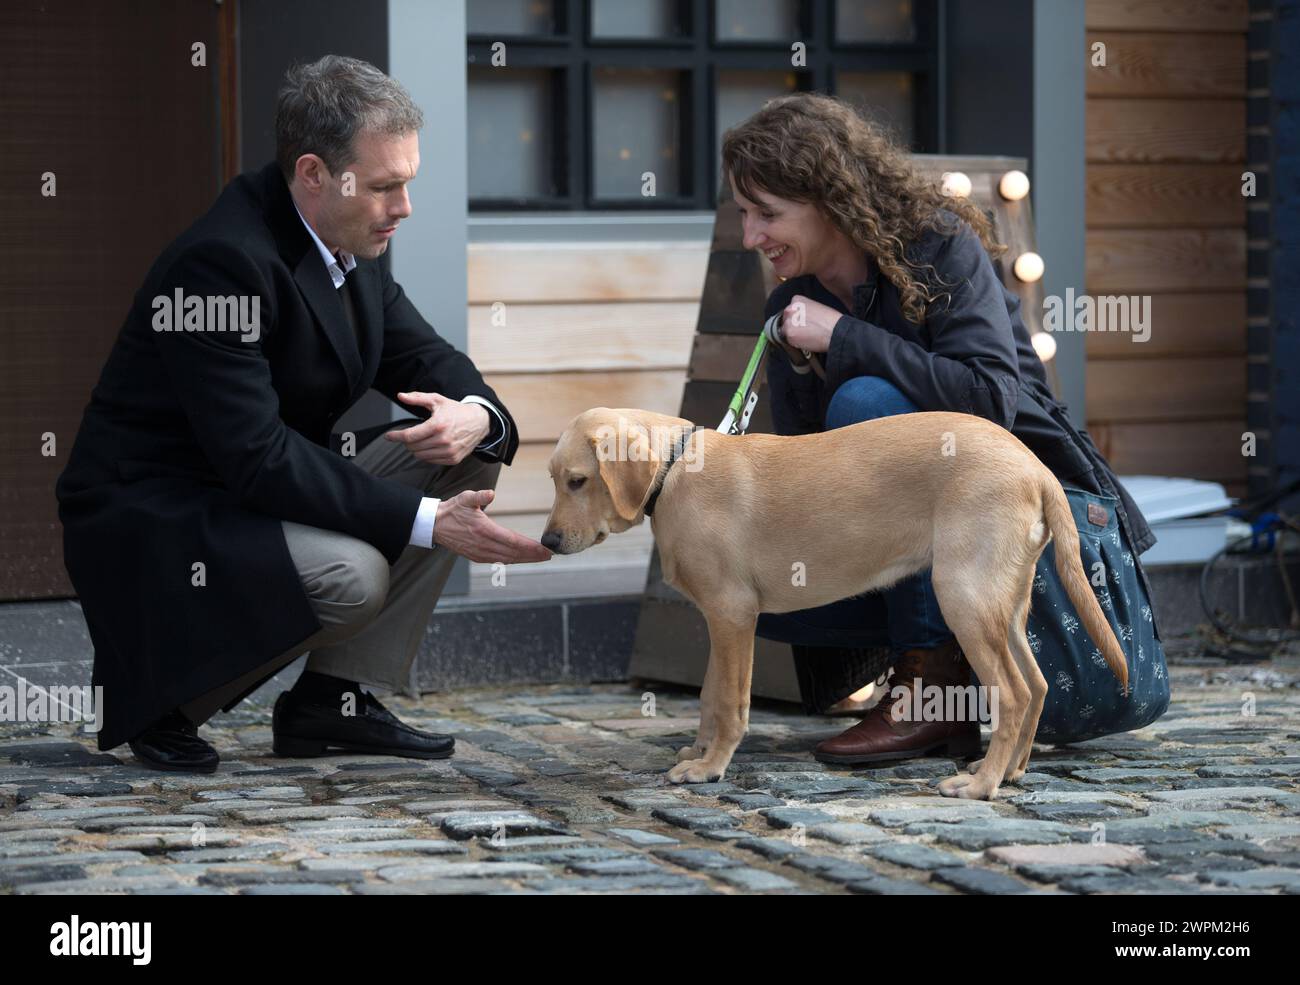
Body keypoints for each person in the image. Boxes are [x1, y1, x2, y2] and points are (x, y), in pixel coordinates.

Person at [55, 55, 550, 773]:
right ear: (315, 174)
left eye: (408, 182)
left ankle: (332, 701)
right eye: (386, 186)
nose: (404, 207)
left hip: (260, 490)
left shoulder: (353, 237)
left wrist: (478, 413)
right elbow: (254, 454)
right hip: (163, 514)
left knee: (464, 444)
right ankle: (167, 701)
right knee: (352, 577)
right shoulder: (221, 264)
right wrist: (427, 523)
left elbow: (427, 359)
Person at [720, 93, 1168, 764]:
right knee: (761, 585)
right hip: (917, 543)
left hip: (1011, 515)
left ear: (828, 198)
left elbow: (989, 398)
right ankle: (930, 674)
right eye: (745, 215)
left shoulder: (938, 246)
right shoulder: (790, 305)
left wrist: (844, 338)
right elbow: (811, 466)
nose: (751, 236)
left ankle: (930, 685)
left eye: (768, 214)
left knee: (867, 403)